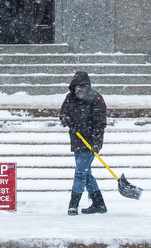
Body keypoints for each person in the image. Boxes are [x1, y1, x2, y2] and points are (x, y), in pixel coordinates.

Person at [59, 70, 107, 215]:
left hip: (90, 143)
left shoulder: (96, 99)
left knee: (80, 173)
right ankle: (99, 203)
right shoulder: (70, 98)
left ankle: (73, 205)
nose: (80, 89)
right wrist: (65, 119)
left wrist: (96, 143)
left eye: (83, 86)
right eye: (77, 86)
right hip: (77, 141)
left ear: (88, 87)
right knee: (86, 174)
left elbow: (100, 124)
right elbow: (62, 112)